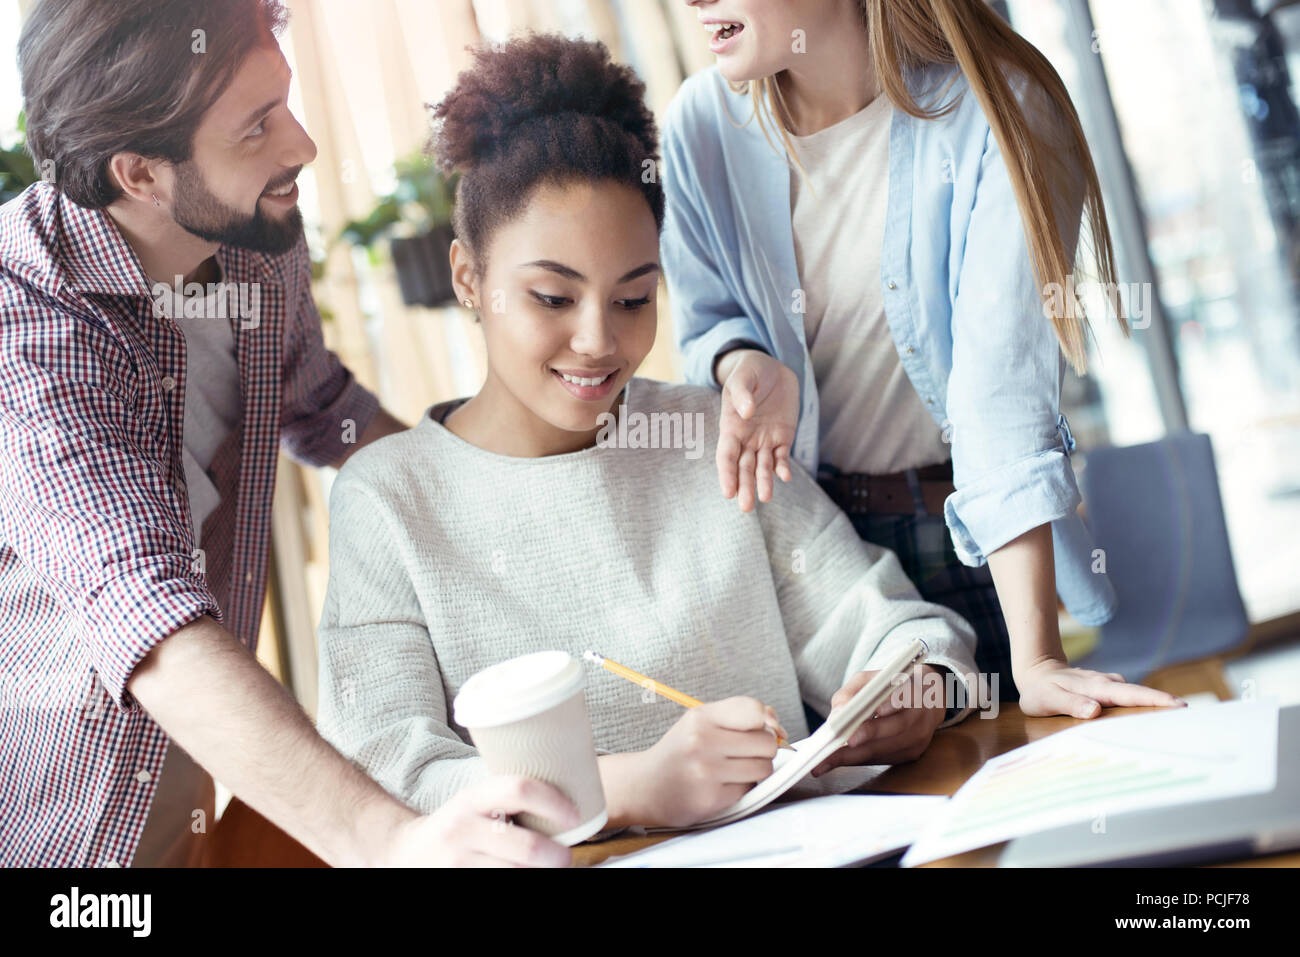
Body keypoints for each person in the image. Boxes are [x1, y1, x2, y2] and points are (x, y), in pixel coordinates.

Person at [316, 33, 981, 834]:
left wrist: (915, 690)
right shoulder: (387, 498)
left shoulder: (707, 434)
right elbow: (384, 767)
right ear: (469, 278)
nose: (599, 340)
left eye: (633, 298)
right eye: (553, 299)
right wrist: (628, 787)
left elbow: (894, 622)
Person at [0, 0, 575, 868]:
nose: (302, 145)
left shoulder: (252, 240)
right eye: (257, 126)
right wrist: (389, 841)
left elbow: (326, 411)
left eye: (288, 103)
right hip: (56, 827)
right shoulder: (23, 315)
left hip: (203, 783)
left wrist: (518, 544)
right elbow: (142, 609)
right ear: (140, 174)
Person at [662, 0, 1186, 718]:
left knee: (987, 806)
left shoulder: (1001, 110)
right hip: (812, 566)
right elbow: (706, 316)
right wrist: (743, 362)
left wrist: (1035, 657)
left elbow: (998, 391)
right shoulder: (700, 128)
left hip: (968, 548)